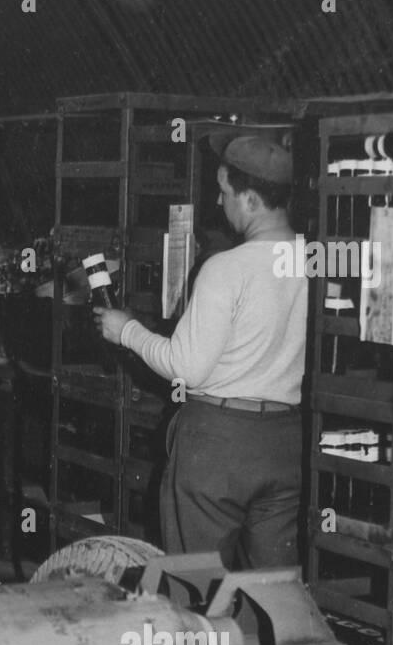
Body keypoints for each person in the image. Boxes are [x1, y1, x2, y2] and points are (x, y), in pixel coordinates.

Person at [94, 135, 306, 569]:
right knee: (274, 588)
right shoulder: (314, 259)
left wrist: (126, 330)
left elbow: (186, 367)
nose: (219, 200)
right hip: (284, 441)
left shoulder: (226, 268)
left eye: (225, 192)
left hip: (218, 442)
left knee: (199, 583)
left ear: (249, 199)